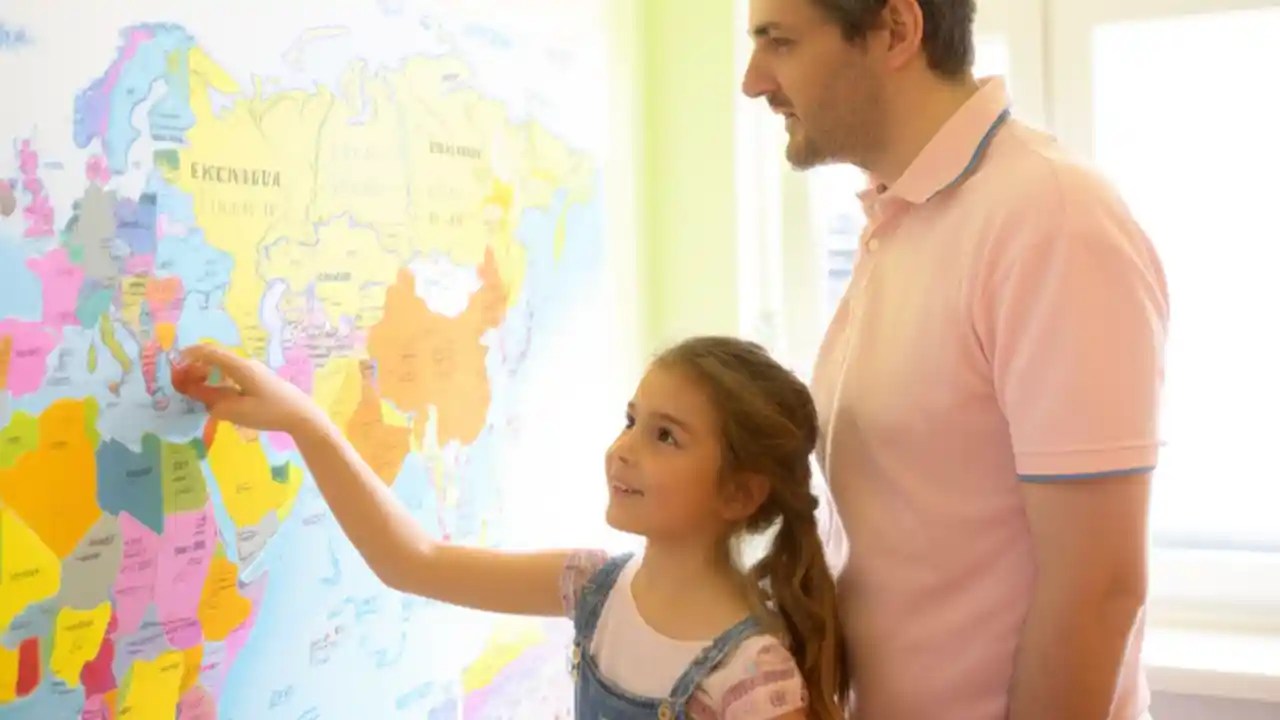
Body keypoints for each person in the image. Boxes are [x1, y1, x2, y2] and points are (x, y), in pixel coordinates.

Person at [741, 1, 1168, 719]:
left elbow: (1097, 588)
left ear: (897, 30)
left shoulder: (1049, 218)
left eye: (778, 42)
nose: (754, 81)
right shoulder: (902, 218)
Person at [171, 337, 850, 719]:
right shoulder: (593, 586)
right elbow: (414, 561)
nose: (624, 448)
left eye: (666, 436)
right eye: (631, 418)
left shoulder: (752, 674)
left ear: (739, 492)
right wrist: (303, 420)